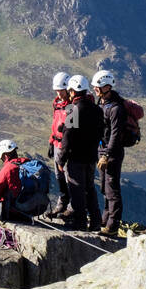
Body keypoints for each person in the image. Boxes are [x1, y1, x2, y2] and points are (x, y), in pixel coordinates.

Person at [55, 74, 103, 231]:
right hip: (91, 157)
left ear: (73, 91)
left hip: (76, 158)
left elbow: (68, 137)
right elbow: (99, 132)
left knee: (76, 190)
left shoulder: (74, 110)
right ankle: (96, 221)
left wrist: (61, 160)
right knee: (89, 189)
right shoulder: (97, 109)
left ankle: (80, 223)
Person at [92, 69, 127, 236]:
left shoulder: (116, 108)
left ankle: (112, 226)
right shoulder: (102, 103)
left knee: (112, 189)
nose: (95, 89)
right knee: (105, 188)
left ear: (107, 86)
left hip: (111, 153)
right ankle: (105, 220)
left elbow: (115, 134)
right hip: (102, 150)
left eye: (97, 86)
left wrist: (106, 155)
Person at [45, 71, 73, 219]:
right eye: (57, 90)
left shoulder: (72, 106)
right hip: (56, 143)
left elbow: (72, 130)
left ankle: (71, 208)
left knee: (69, 176)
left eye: (61, 90)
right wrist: (51, 141)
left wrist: (65, 148)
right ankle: (62, 204)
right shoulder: (57, 103)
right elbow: (55, 123)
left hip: (66, 146)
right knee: (59, 175)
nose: (58, 93)